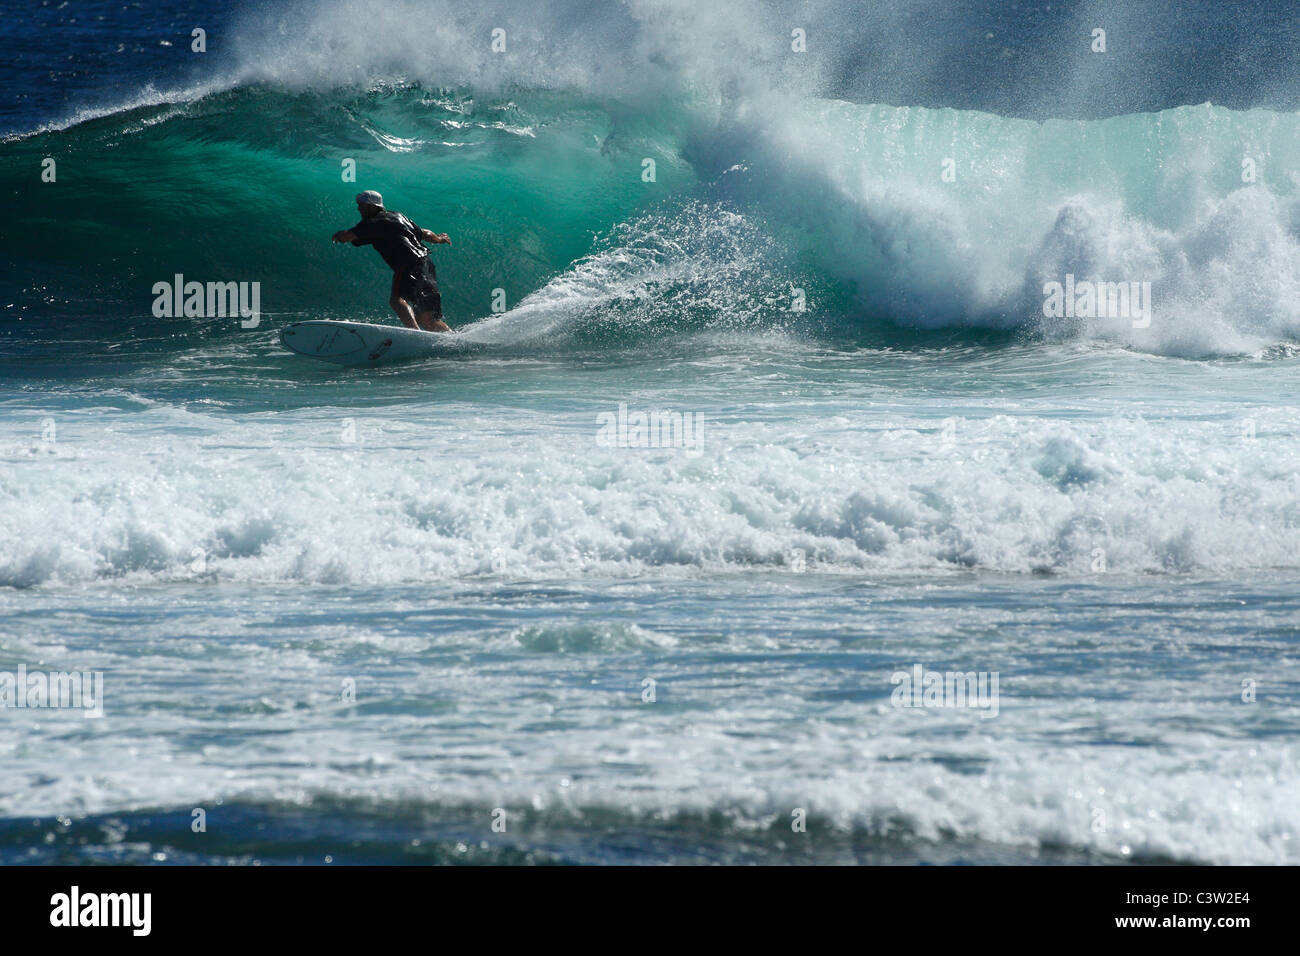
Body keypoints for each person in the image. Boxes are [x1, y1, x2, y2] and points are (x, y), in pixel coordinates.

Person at [332, 190, 452, 332]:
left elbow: (347, 236)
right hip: (426, 263)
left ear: (372, 206)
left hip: (408, 263)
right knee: (427, 318)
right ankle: (454, 341)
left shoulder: (374, 222)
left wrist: (339, 236)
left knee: (397, 300)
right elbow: (424, 232)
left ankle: (414, 333)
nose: (359, 208)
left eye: (362, 205)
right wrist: (439, 238)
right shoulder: (398, 216)